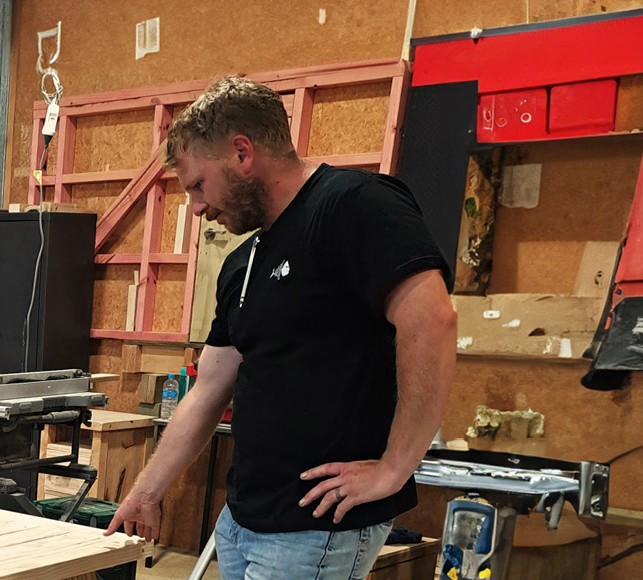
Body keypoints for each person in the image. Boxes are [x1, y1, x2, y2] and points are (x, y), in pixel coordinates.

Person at [105, 77, 456, 579]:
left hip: (315, 524)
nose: (198, 208)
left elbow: (434, 322)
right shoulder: (244, 260)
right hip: (245, 519)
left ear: (242, 153)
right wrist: (146, 490)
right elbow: (209, 388)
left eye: (199, 185)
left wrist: (395, 468)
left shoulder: (352, 205)